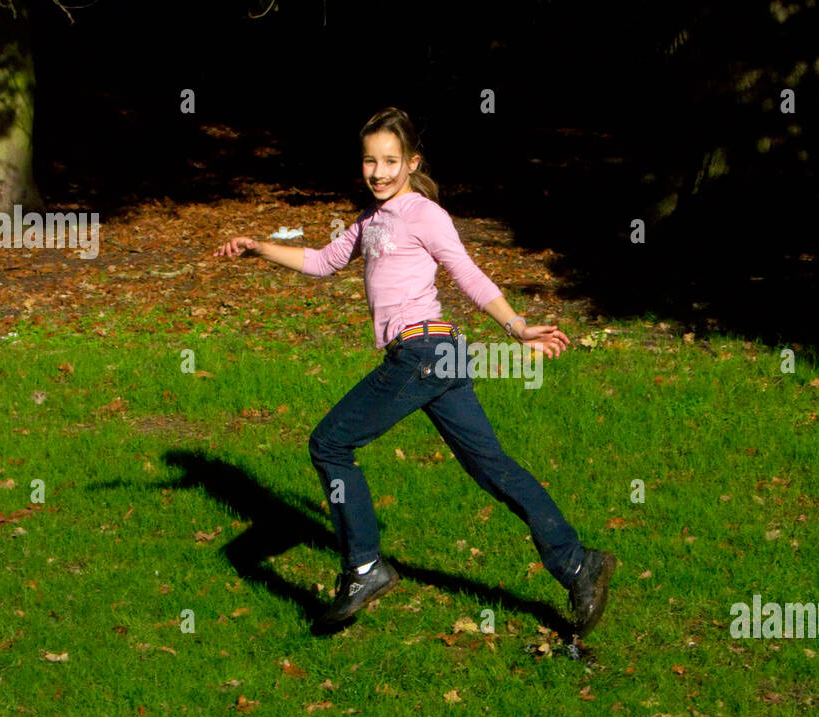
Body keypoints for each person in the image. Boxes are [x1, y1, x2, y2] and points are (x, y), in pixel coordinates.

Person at [214, 107, 615, 636]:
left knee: (330, 444)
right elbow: (321, 262)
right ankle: (579, 565)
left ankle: (364, 568)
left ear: (411, 162)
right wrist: (260, 247)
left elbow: (463, 270)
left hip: (422, 353)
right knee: (492, 467)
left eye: (389, 161)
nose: (377, 172)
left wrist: (516, 327)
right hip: (439, 356)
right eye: (368, 162)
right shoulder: (369, 221)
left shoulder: (423, 213)